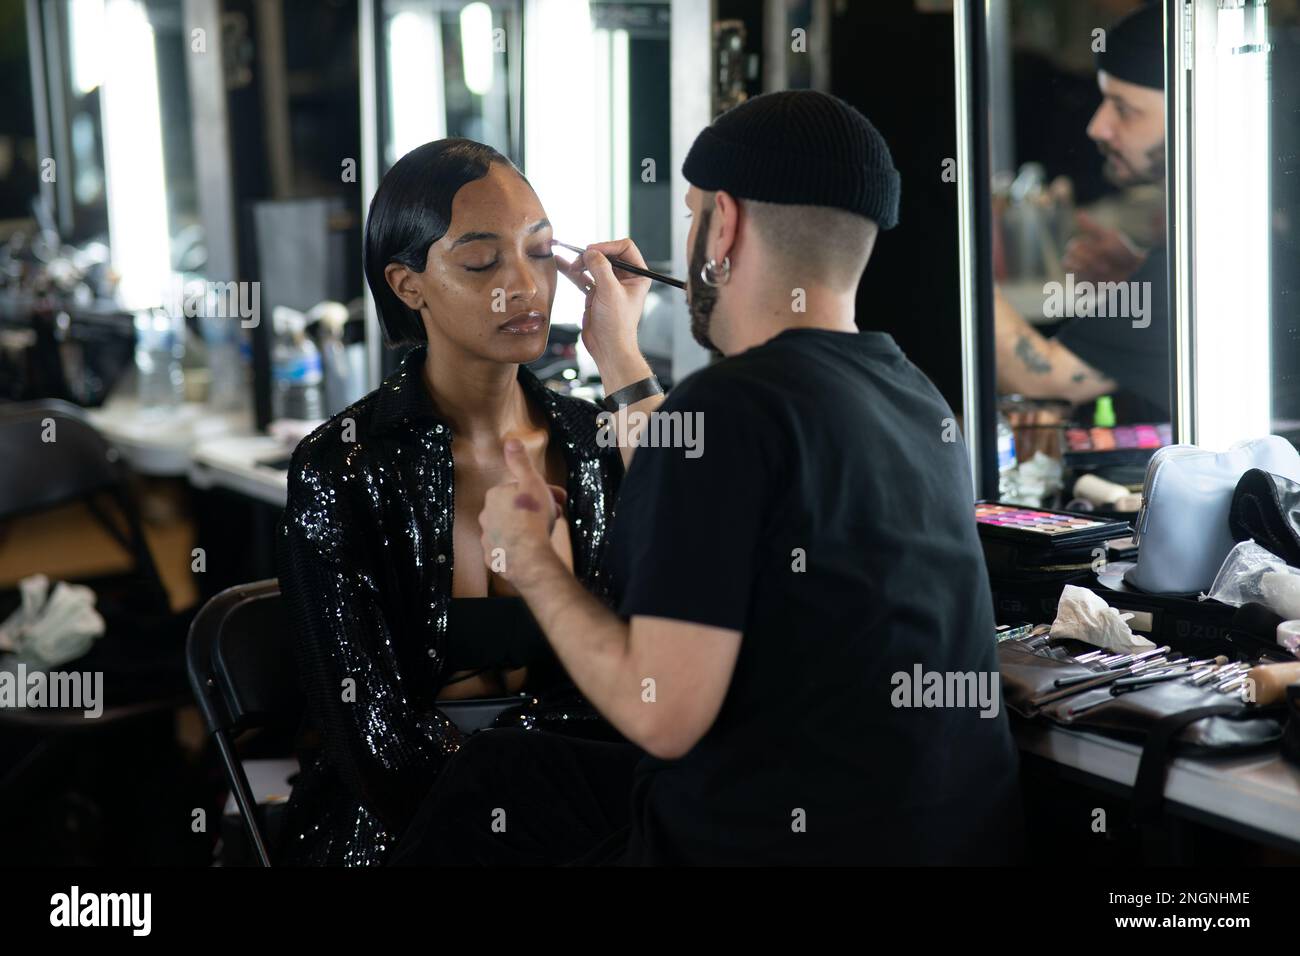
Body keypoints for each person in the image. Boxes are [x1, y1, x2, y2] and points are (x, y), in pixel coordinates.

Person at [394, 90, 1023, 866]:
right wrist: (620, 357)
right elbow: (709, 477)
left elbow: (662, 716)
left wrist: (533, 563)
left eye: (692, 215)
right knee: (510, 775)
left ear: (723, 224)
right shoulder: (915, 400)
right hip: (947, 837)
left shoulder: (731, 409)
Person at [275, 138, 654, 865]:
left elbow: (657, 675)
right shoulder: (342, 466)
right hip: (402, 835)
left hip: (581, 822)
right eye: (482, 261)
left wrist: (622, 356)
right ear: (407, 284)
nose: (525, 285)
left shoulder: (596, 442)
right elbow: (374, 744)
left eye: (541, 252)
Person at [995, 1, 1170, 422]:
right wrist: (1136, 277)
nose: (1097, 127)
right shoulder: (1191, 253)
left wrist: (960, 251)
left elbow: (1043, 383)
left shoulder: (1219, 250)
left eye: (1124, 108)